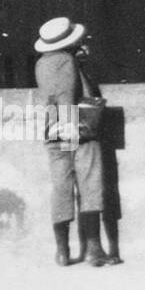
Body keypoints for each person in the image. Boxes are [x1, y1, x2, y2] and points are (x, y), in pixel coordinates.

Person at [34, 16, 108, 267]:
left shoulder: (41, 64)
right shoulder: (70, 61)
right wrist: (82, 66)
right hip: (76, 128)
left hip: (53, 130)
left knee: (61, 187)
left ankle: (63, 251)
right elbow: (84, 93)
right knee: (89, 183)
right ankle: (94, 249)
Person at [74, 36, 123, 265]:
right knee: (91, 189)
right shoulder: (75, 71)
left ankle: (92, 247)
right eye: (81, 44)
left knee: (85, 190)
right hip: (85, 135)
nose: (86, 48)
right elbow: (87, 103)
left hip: (73, 134)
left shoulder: (64, 68)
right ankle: (94, 249)